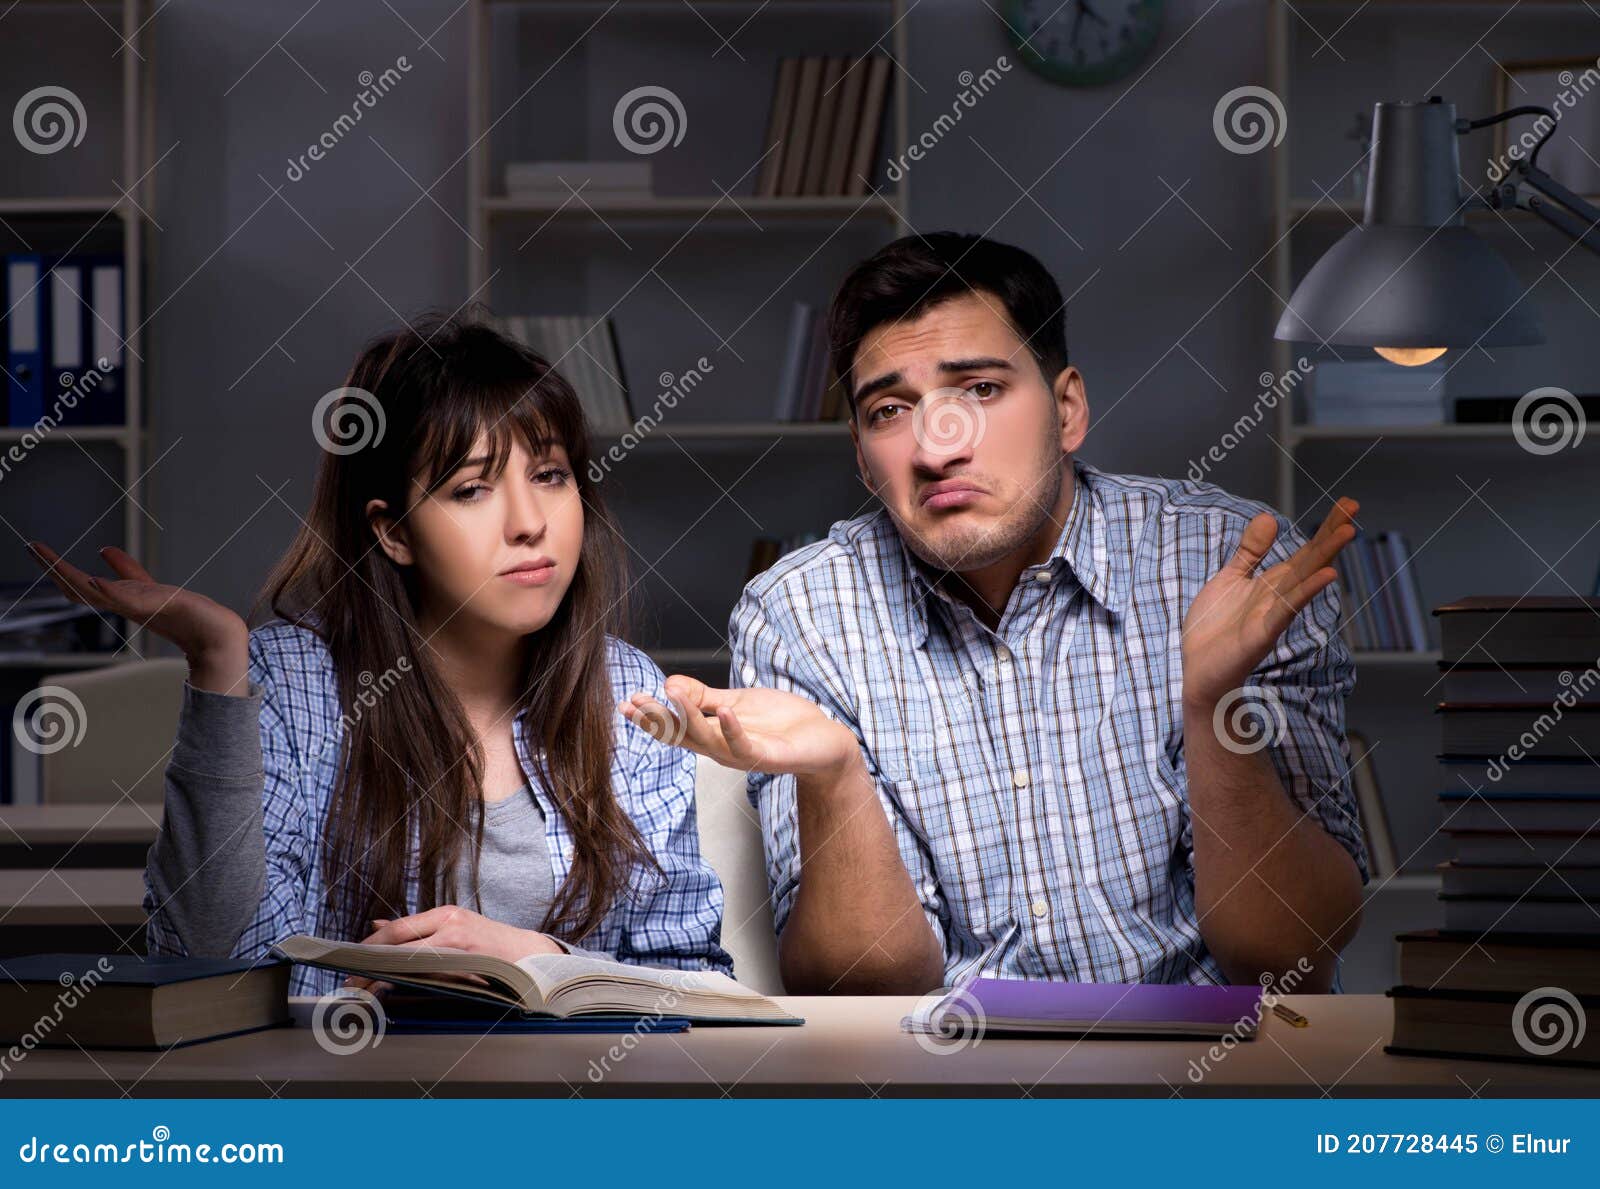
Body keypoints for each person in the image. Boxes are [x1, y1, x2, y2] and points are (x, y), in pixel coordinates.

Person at [619, 232, 1367, 995]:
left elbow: (1286, 953)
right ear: (859, 450)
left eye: (979, 389)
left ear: (1067, 408)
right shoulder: (800, 612)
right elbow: (863, 987)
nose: (936, 446)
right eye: (890, 409)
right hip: (949, 1092)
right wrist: (837, 774)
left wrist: (1214, 707)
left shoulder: (1230, 558)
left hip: (1218, 1085)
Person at [31, 316, 730, 998]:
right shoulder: (290, 682)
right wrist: (218, 663)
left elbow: (698, 978)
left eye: (550, 474)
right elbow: (210, 964)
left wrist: (537, 958)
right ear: (393, 531)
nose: (529, 522)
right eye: (472, 488)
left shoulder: (626, 691)